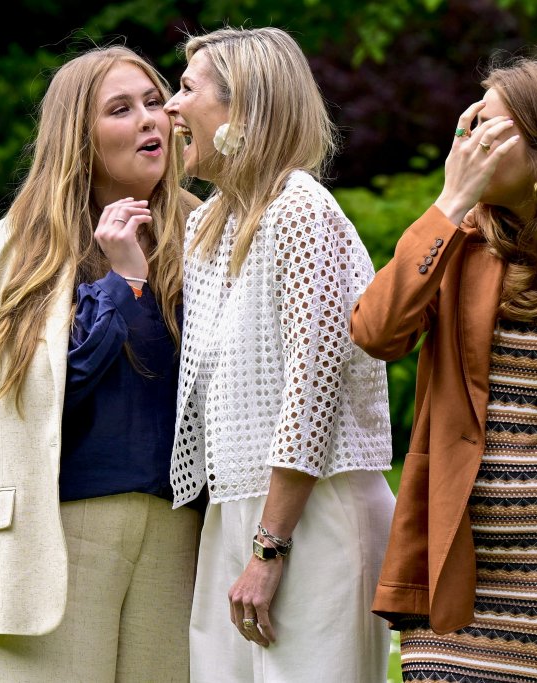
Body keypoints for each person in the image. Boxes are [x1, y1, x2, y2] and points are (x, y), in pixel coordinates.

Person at [351, 59, 537, 683]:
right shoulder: (458, 245)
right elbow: (376, 332)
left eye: (488, 130)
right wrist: (449, 201)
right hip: (454, 583)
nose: (468, 145)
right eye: (469, 128)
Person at [0, 45, 202, 682]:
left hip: (180, 536)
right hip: (52, 534)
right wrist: (123, 282)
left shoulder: (209, 234)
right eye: (120, 109)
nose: (149, 120)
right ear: (78, 137)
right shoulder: (1, 254)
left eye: (154, 102)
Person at [163, 26, 396, 682]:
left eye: (186, 89)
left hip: (310, 518)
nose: (169, 108)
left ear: (246, 110)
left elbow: (312, 384)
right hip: (238, 511)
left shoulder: (300, 210)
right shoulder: (206, 224)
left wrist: (270, 546)